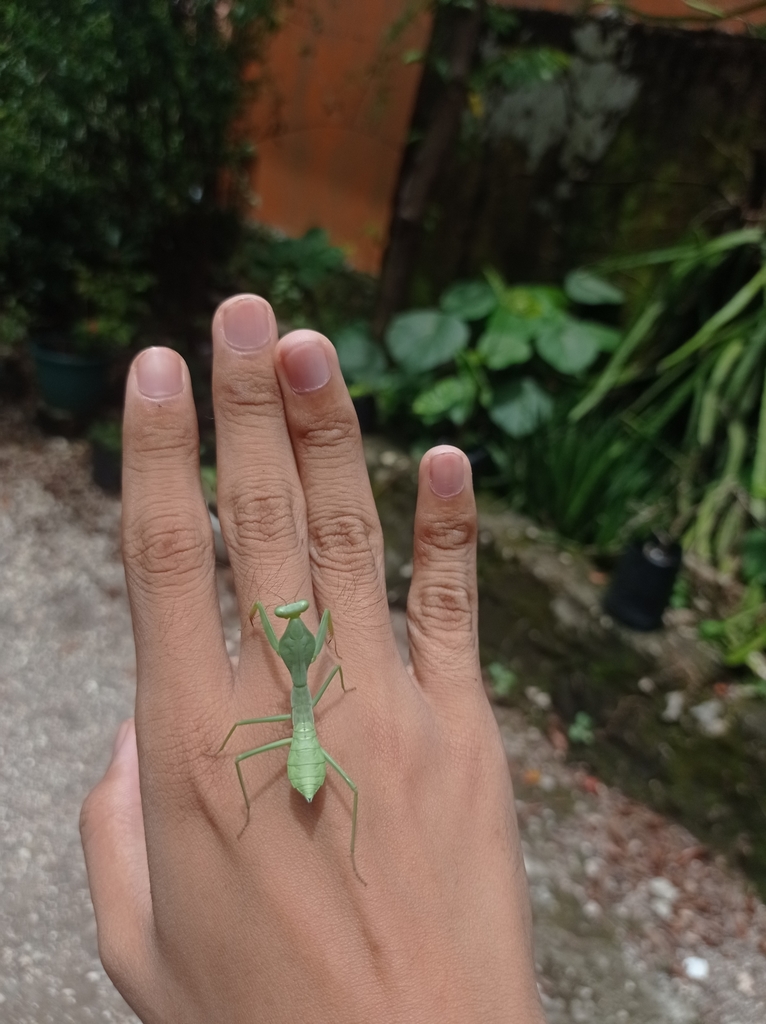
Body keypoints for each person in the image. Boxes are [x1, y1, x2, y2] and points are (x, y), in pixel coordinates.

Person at [79, 294, 546, 1023]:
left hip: (302, 756)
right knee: (275, 754)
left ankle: (344, 853)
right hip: (306, 753)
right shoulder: (315, 664)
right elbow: (296, 677)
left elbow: (248, 730)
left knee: (268, 761)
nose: (292, 632)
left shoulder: (301, 660)